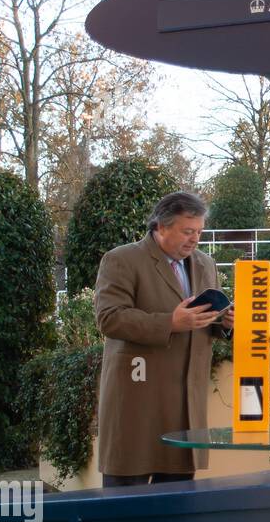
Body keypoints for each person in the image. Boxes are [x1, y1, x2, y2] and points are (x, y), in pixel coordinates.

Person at [94, 192, 234, 487]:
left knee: (176, 504)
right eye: (187, 231)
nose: (194, 239)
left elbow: (206, 319)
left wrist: (225, 324)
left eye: (198, 231)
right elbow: (109, 318)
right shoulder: (121, 259)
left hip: (186, 403)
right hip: (136, 400)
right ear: (160, 227)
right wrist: (169, 322)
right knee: (124, 507)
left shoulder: (206, 264)